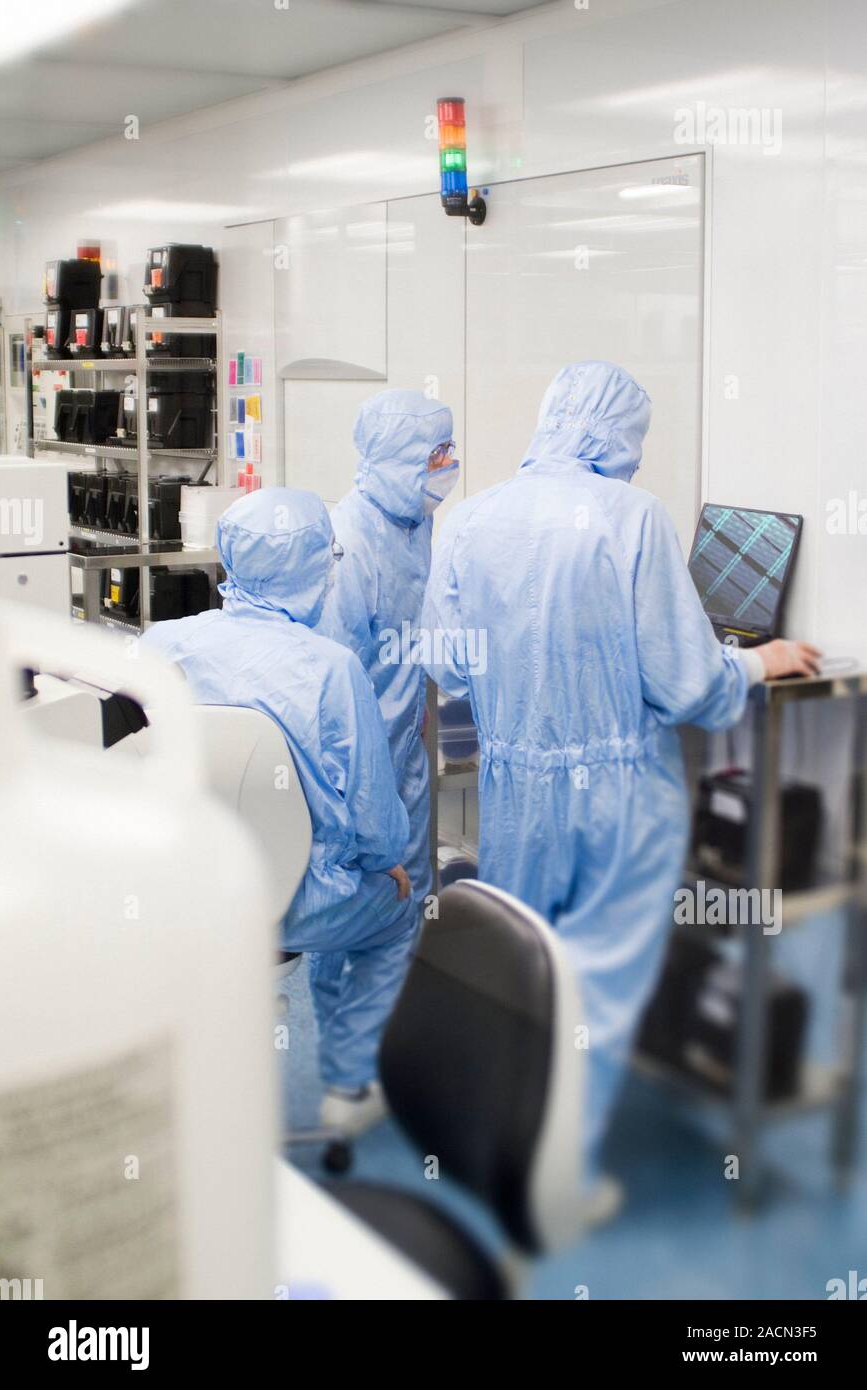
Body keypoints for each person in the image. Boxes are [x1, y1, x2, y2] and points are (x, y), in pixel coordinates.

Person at [421, 360, 820, 1192]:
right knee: (595, 988)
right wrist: (758, 664)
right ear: (615, 438)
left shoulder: (469, 520)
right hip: (618, 795)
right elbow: (685, 686)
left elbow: (450, 669)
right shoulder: (632, 518)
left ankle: (503, 1136)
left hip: (514, 790)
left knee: (523, 964)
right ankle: (558, 1179)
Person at [140, 487, 416, 1137]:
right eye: (328, 561)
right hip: (298, 897)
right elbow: (376, 821)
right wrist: (389, 866)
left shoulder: (162, 643)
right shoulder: (330, 668)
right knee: (398, 910)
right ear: (311, 568)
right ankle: (346, 1086)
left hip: (186, 886)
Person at [314, 389, 458, 1014]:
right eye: (436, 456)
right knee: (358, 893)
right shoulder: (349, 539)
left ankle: (402, 1031)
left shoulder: (416, 519)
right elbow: (334, 679)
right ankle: (342, 1049)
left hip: (406, 740)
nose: (446, 468)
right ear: (398, 459)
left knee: (410, 891)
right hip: (360, 757)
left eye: (449, 453)